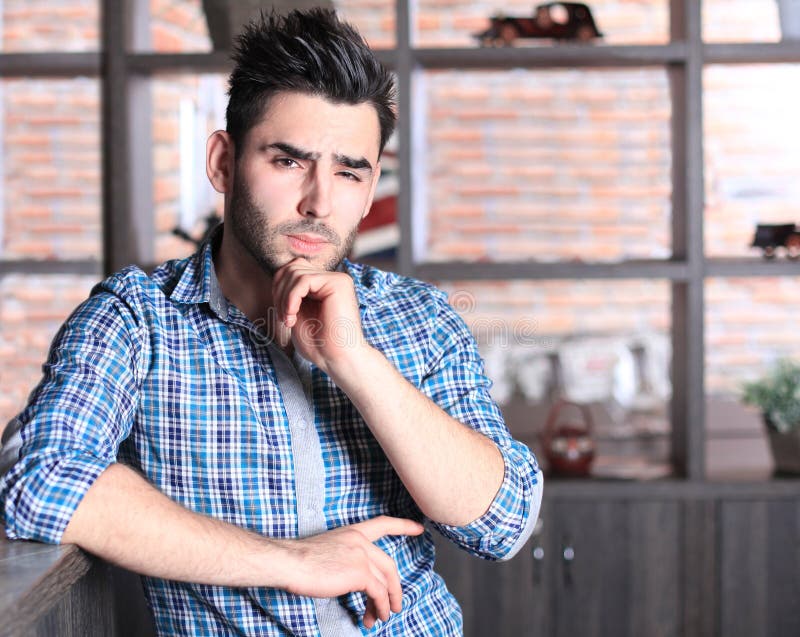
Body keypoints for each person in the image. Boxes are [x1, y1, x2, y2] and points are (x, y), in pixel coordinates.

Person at [0, 9, 542, 636]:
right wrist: (289, 562)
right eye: (288, 161)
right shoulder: (138, 318)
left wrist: (354, 361)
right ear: (223, 163)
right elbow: (37, 481)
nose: (318, 201)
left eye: (348, 171)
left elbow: (503, 525)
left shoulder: (418, 315)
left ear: (369, 193)